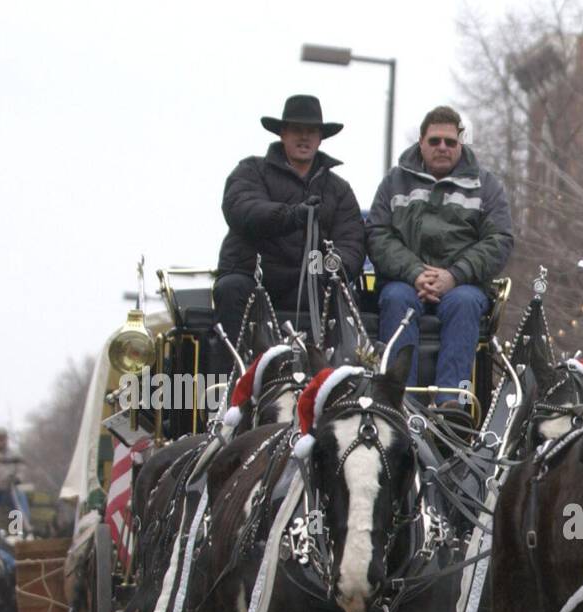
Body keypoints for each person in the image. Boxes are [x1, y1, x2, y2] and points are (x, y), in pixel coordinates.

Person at [367, 106, 514, 403]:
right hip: (404, 283)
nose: (443, 147)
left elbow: (499, 239)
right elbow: (377, 234)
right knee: (396, 299)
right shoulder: (393, 182)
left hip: (462, 286)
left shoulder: (486, 186)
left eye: (450, 141)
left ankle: (452, 402)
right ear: (421, 142)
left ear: (461, 144)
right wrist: (414, 273)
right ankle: (398, 401)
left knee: (465, 303)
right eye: (435, 141)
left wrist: (454, 275)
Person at [214, 95, 365, 343]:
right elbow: (243, 210)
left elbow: (351, 243)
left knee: (344, 297)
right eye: (296, 130)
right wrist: (293, 215)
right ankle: (235, 376)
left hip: (312, 285)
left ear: (320, 138)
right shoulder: (250, 171)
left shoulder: (339, 190)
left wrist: (328, 271)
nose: (304, 137)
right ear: (282, 134)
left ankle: (340, 375)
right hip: (255, 279)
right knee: (230, 289)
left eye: (311, 131)